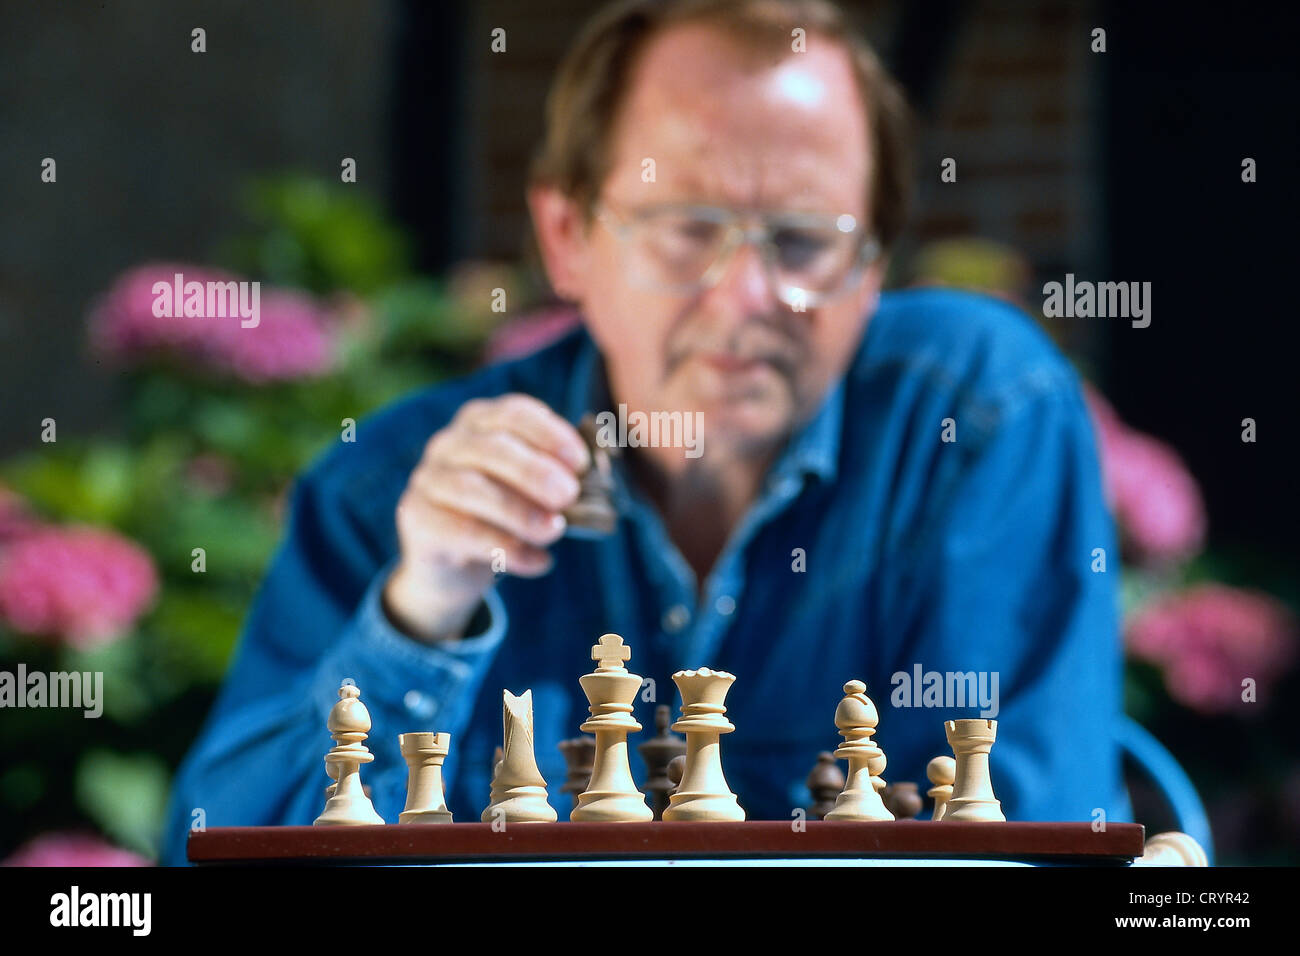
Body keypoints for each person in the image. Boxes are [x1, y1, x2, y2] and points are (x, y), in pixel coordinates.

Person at [162, 0, 1127, 863]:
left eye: (804, 239)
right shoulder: (388, 490)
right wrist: (422, 611)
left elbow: (1027, 845)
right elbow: (210, 862)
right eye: (686, 228)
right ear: (568, 237)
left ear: (875, 264)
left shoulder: (977, 417)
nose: (747, 299)